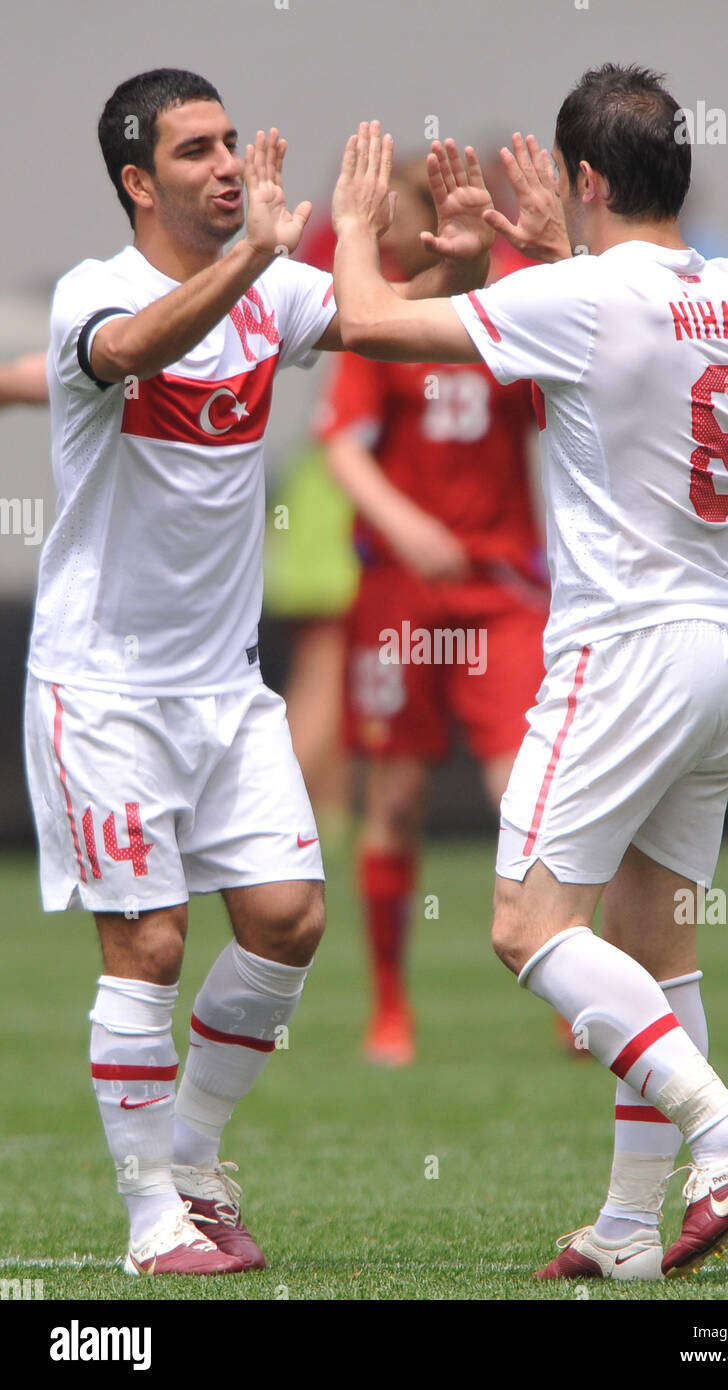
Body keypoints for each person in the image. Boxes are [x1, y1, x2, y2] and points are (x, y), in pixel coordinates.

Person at [329, 66, 728, 1281]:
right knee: (659, 953)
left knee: (527, 926)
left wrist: (348, 224)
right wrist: (538, 247)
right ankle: (631, 1230)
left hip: (624, 650)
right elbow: (601, 352)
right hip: (723, 651)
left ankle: (723, 1130)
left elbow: (372, 325)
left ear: (585, 177)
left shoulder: (583, 295)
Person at [24, 66, 492, 1276]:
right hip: (104, 688)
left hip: (225, 690)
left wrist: (457, 259)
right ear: (138, 181)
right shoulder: (102, 293)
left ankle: (191, 1155)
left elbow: (374, 316)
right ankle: (148, 1230)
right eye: (194, 152)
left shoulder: (268, 289)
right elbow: (134, 349)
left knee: (288, 921)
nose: (226, 166)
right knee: (151, 950)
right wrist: (265, 259)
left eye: (231, 143)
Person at [318, 156, 547, 1064]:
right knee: (399, 796)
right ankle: (388, 1005)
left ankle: (570, 986)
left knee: (523, 788)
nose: (408, 240)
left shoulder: (519, 301)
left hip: (499, 591)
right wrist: (404, 524)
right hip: (400, 597)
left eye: (424, 223)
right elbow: (342, 445)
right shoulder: (383, 315)